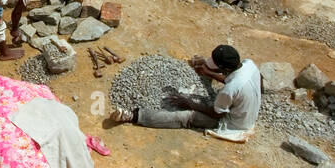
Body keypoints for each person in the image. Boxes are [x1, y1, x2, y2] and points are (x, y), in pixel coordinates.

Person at [111, 45, 263, 142]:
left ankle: (133, 116)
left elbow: (217, 114)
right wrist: (208, 73)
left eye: (216, 68)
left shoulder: (230, 89)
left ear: (226, 69)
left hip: (233, 123)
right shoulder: (249, 64)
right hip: (247, 110)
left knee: (187, 117)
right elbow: (232, 82)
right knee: (209, 93)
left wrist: (190, 103)